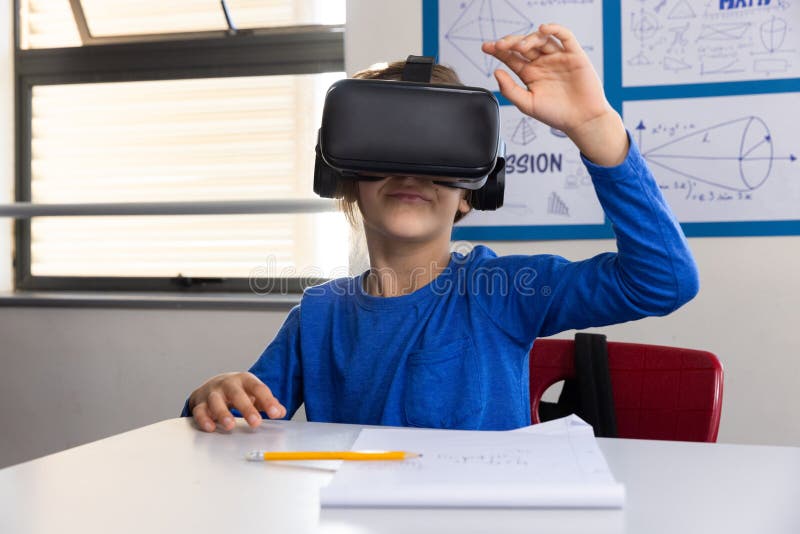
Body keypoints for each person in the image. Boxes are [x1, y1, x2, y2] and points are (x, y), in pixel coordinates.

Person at [182, 24, 699, 432]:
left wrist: (596, 130)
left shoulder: (500, 293)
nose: (411, 173)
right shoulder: (317, 319)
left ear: (473, 193)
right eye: (385, 149)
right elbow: (239, 417)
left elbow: (664, 280)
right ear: (343, 178)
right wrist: (214, 397)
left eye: (437, 156)